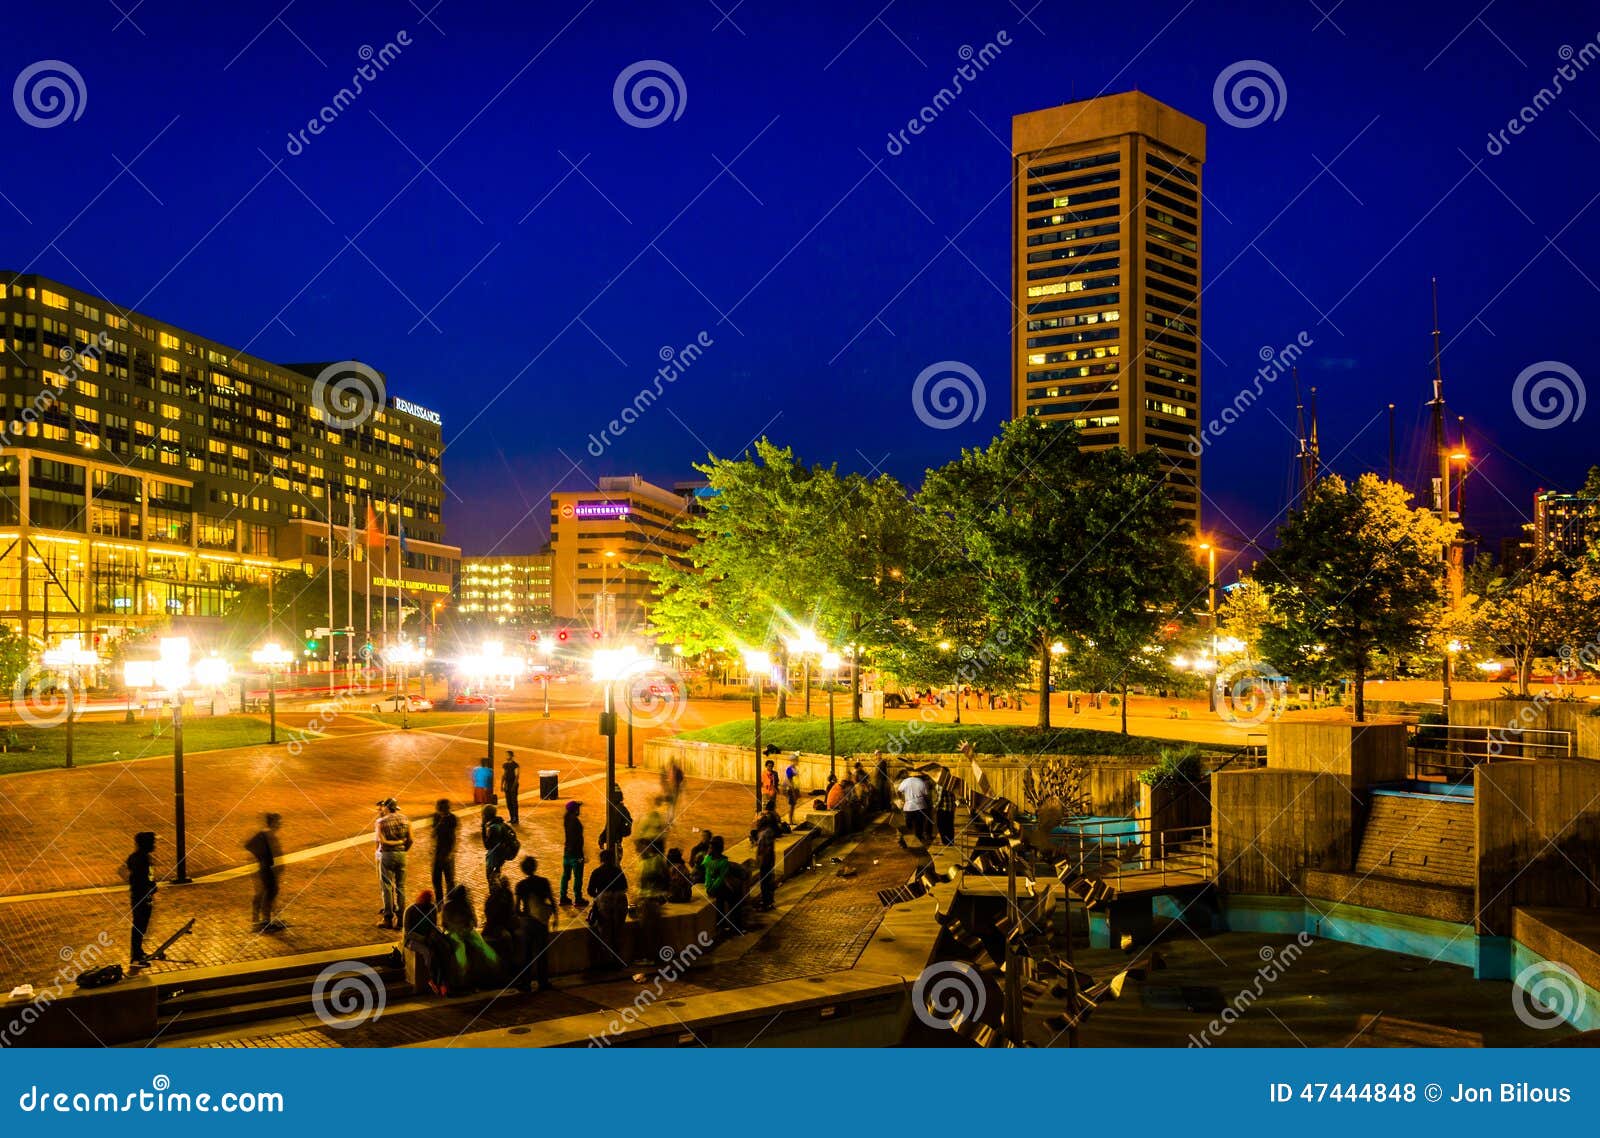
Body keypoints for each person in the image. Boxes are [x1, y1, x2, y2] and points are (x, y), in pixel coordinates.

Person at [513, 856, 555, 992]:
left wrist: (521, 917)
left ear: (523, 869)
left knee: (527, 954)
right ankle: (543, 982)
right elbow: (552, 900)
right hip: (542, 922)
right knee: (542, 953)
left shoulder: (521, 885)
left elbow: (516, 908)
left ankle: (526, 983)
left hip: (528, 922)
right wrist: (555, 918)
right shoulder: (544, 882)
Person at [585, 849, 628, 970]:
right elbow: (625, 887)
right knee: (617, 933)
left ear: (601, 860)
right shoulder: (618, 871)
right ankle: (618, 961)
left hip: (604, 905)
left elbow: (590, 891)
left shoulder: (597, 872)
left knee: (605, 933)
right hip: (619, 903)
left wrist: (600, 896)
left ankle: (607, 962)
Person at [375, 797, 412, 929]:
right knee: (401, 887)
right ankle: (401, 920)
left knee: (387, 887)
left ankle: (388, 918)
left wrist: (391, 844)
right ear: (395, 808)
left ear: (386, 808)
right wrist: (403, 847)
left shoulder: (381, 822)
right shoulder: (406, 820)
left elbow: (382, 841)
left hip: (387, 855)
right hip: (402, 855)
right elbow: (411, 839)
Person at [245, 813, 283, 932]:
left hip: (267, 868)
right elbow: (249, 846)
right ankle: (263, 920)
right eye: (278, 822)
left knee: (269, 892)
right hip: (265, 869)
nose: (280, 825)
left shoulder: (268, 834)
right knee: (268, 892)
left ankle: (263, 919)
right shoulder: (266, 834)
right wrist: (262, 860)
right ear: (272, 823)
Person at [125, 831, 157, 966]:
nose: (154, 845)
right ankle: (136, 957)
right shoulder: (141, 860)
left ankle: (138, 952)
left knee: (141, 926)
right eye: (152, 842)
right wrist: (146, 888)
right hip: (141, 897)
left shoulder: (140, 857)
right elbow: (138, 878)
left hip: (143, 896)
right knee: (139, 926)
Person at [402, 888, 443, 993]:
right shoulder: (410, 911)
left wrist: (434, 936)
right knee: (427, 952)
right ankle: (431, 978)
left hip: (427, 938)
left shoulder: (432, 908)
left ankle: (442, 977)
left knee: (442, 948)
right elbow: (408, 933)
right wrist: (423, 939)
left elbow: (433, 926)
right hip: (412, 940)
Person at [702, 836, 743, 935]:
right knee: (734, 898)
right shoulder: (723, 862)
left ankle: (722, 926)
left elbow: (708, 875)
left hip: (710, 887)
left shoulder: (707, 859)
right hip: (715, 888)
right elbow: (720, 879)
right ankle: (735, 925)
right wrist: (713, 888)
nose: (709, 849)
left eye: (711, 847)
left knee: (721, 901)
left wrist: (709, 887)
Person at [752, 810, 781, 911]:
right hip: (768, 859)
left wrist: (760, 861)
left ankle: (766, 903)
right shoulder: (768, 831)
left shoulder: (764, 833)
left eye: (758, 820)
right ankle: (769, 901)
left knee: (765, 883)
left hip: (765, 861)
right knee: (768, 881)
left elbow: (764, 849)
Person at [431, 798, 458, 902]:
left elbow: (453, 837)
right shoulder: (436, 817)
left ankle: (451, 902)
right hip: (438, 853)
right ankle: (439, 902)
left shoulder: (452, 818)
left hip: (447, 854)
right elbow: (433, 833)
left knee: (450, 880)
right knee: (436, 880)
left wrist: (451, 853)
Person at [897, 769, 932, 848]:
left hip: (908, 807)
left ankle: (904, 843)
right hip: (920, 806)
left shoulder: (905, 781)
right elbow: (926, 795)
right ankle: (918, 841)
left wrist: (902, 799)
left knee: (908, 826)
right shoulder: (921, 782)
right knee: (919, 825)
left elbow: (899, 791)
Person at [560, 800, 586, 906]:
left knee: (565, 876)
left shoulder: (566, 819)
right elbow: (577, 839)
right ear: (575, 810)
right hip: (576, 854)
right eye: (578, 808)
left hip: (567, 852)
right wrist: (581, 855)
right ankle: (578, 898)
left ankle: (563, 897)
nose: (579, 810)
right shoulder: (575, 822)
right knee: (578, 877)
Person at [482, 805, 518, 880]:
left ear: (486, 815)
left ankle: (495, 884)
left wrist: (483, 828)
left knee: (490, 877)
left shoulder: (493, 828)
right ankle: (497, 879)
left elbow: (487, 846)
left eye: (483, 815)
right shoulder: (501, 823)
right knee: (497, 873)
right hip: (501, 855)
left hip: (495, 857)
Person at [600, 785, 632, 864]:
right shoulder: (620, 808)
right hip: (617, 842)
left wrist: (602, 837)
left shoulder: (616, 810)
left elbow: (611, 827)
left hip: (614, 844)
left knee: (613, 865)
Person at [660, 756, 684, 825]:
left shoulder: (671, 770)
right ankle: (669, 819)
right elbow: (681, 778)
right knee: (671, 805)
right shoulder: (675, 770)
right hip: (672, 790)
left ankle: (669, 819)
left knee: (671, 805)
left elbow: (663, 780)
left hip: (672, 790)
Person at [500, 751, 521, 824]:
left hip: (512, 784)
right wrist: (502, 785)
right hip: (507, 784)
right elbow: (503, 775)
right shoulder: (505, 765)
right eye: (506, 755)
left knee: (514, 802)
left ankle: (516, 818)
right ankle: (512, 817)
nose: (506, 756)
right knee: (508, 802)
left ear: (511, 756)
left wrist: (514, 786)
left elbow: (517, 776)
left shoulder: (515, 765)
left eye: (507, 755)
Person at [782, 755, 802, 825]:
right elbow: (790, 781)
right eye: (796, 760)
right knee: (791, 805)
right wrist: (793, 792)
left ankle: (792, 819)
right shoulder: (790, 769)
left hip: (795, 789)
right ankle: (790, 820)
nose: (797, 762)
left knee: (793, 805)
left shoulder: (794, 769)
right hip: (791, 789)